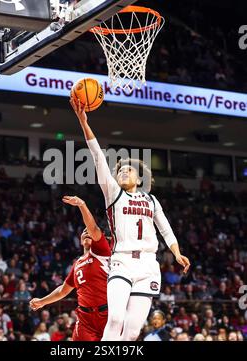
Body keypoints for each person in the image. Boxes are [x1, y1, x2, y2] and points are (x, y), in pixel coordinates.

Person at [70, 98, 191, 341]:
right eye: (120, 170)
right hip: (122, 262)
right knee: (115, 320)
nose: (124, 171)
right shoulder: (114, 194)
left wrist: (176, 253)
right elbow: (97, 157)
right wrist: (84, 122)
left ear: (139, 178)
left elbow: (166, 230)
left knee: (134, 330)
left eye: (129, 170)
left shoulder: (152, 200)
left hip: (148, 265)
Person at [30, 195, 111, 341]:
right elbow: (62, 290)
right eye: (83, 231)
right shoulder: (77, 264)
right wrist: (42, 301)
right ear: (80, 240)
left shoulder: (102, 251)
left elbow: (92, 227)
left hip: (107, 314)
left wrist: (82, 205)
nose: (87, 232)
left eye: (89, 232)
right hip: (85, 318)